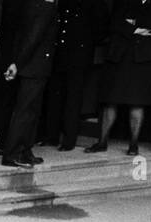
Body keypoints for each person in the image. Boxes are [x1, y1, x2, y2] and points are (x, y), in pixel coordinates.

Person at [88, 0, 151, 155]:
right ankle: (102, 141)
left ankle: (133, 144)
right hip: (120, 56)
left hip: (145, 60)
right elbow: (114, 22)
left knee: (137, 103)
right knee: (110, 100)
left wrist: (132, 23)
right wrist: (136, 29)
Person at [0, 0, 61, 166]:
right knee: (25, 111)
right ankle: (12, 153)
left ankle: (25, 150)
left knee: (31, 111)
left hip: (34, 64)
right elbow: (33, 37)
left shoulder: (34, 4)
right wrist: (18, 63)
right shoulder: (45, 6)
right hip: (34, 65)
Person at [43, 0, 109, 152]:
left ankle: (68, 139)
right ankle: (50, 136)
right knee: (55, 95)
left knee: (73, 98)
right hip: (59, 52)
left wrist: (87, 42)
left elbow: (101, 27)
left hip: (79, 54)